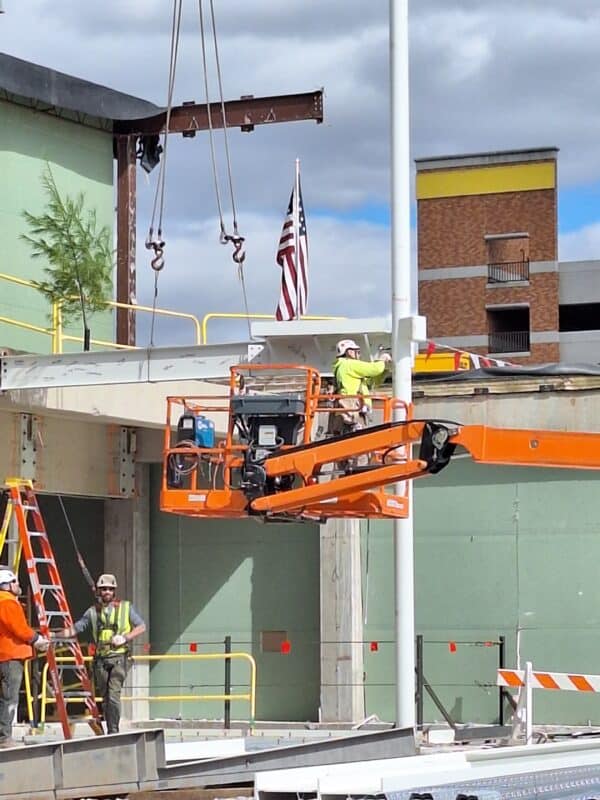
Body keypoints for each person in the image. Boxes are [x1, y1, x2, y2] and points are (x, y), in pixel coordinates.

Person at [58, 573, 145, 735]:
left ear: (114, 591)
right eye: (103, 589)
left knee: (113, 694)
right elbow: (76, 628)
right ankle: (109, 728)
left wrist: (125, 637)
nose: (107, 592)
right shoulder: (92, 612)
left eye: (110, 589)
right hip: (101, 659)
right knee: (106, 698)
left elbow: (141, 626)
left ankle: (113, 731)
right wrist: (53, 636)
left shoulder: (126, 607)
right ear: (98, 591)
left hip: (119, 657)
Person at [0, 567, 49, 748]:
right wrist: (37, 639)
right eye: (15, 581)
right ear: (7, 584)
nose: (18, 584)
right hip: (10, 655)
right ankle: (5, 738)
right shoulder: (7, 602)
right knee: (9, 698)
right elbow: (19, 628)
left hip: (4, 655)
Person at [329, 339, 392, 435]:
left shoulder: (344, 367)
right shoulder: (349, 364)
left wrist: (385, 370)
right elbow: (375, 369)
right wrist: (382, 359)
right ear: (349, 352)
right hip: (352, 408)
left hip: (351, 409)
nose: (359, 355)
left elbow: (371, 382)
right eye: (357, 352)